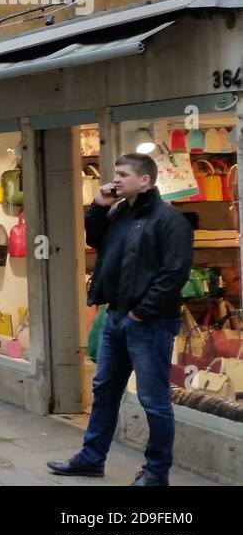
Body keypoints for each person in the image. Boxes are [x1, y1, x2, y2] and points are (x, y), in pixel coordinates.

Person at [47, 152, 192, 486]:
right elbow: (95, 241)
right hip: (116, 317)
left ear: (145, 180)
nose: (115, 180)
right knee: (105, 391)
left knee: (153, 400)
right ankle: (91, 458)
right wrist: (98, 206)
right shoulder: (120, 214)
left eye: (123, 175)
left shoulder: (170, 221)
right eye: (115, 174)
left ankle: (156, 473)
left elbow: (174, 274)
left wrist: (142, 311)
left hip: (149, 323)